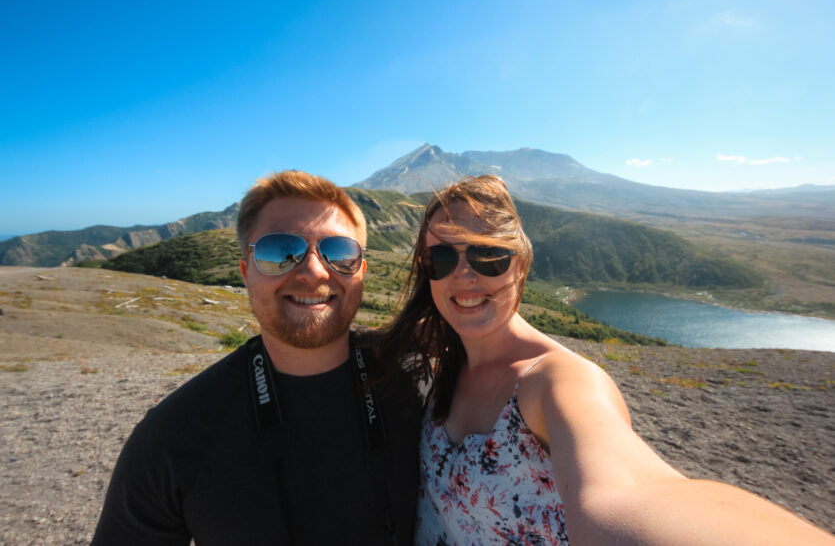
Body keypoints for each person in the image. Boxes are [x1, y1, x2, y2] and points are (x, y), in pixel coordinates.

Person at [380, 175, 834, 546]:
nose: (463, 273)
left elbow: (625, 497)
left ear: (521, 263)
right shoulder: (441, 365)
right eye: (441, 257)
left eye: (487, 255)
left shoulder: (559, 381)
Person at [93, 170, 423, 545]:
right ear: (246, 273)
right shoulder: (175, 437)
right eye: (279, 251)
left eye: (338, 253)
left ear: (361, 271)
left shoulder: (421, 381)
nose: (314, 272)